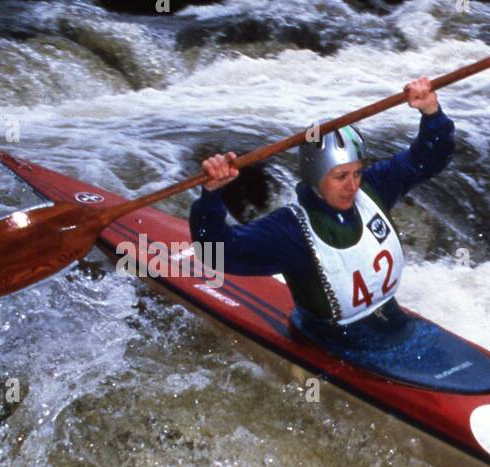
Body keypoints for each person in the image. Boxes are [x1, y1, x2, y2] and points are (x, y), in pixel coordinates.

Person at [189, 77, 453, 331]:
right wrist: (211, 195)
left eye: (357, 172)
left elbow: (427, 158)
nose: (353, 186)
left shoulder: (374, 187)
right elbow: (216, 252)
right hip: (333, 337)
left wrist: (431, 113)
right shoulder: (290, 230)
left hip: (389, 319)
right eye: (340, 176)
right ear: (315, 178)